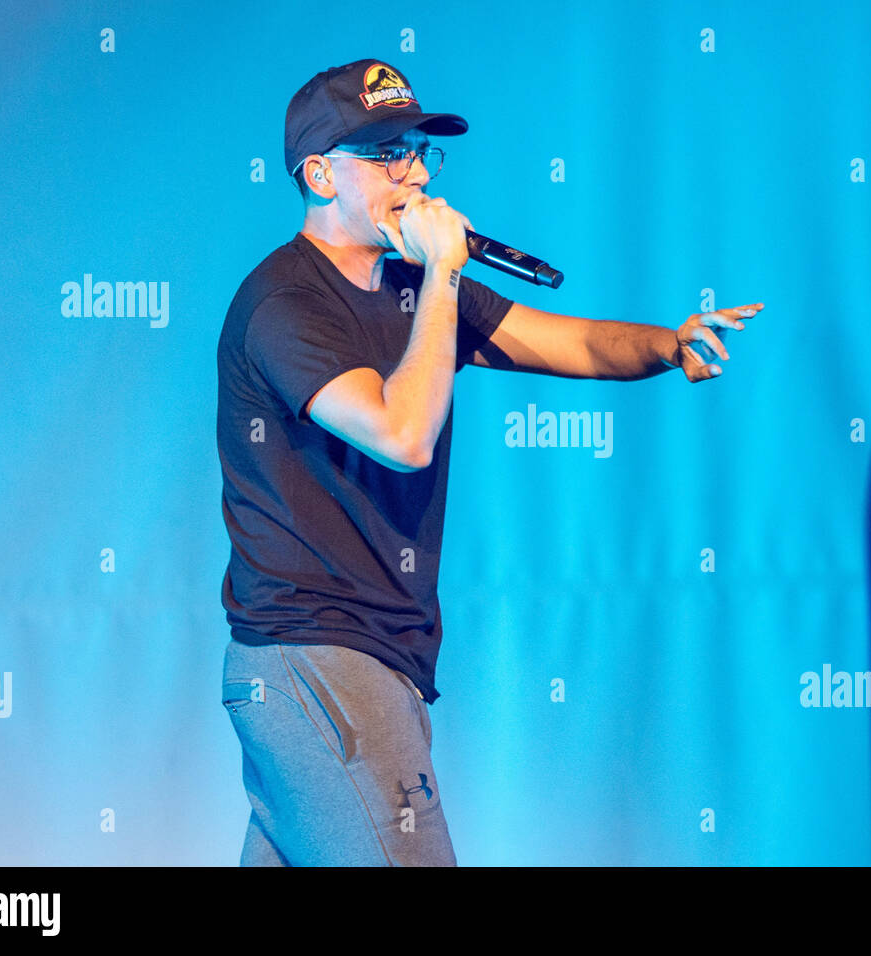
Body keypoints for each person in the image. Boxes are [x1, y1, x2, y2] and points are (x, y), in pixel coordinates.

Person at [215, 58, 763, 866]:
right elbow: (403, 434)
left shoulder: (415, 291)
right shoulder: (285, 304)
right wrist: (443, 270)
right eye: (385, 154)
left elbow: (568, 341)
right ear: (321, 173)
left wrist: (667, 344)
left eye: (415, 149)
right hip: (318, 656)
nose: (411, 171)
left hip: (362, 664)